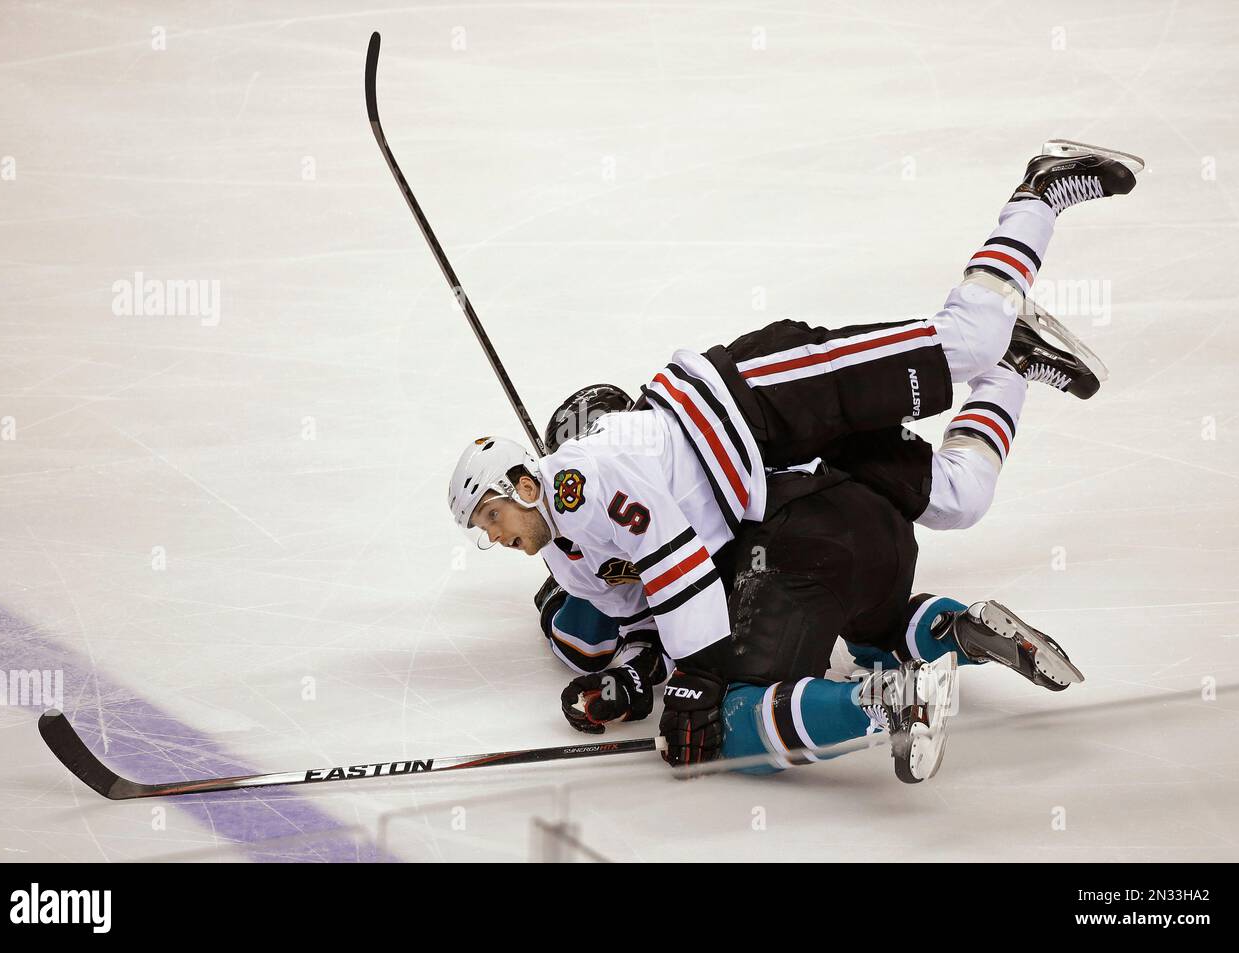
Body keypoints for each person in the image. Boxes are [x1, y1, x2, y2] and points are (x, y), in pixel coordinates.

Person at [447, 141, 1138, 773]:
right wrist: (628, 679)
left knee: (968, 338)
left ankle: (1039, 193)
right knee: (961, 496)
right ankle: (1015, 363)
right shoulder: (574, 553)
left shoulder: (586, 475)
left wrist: (702, 672)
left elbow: (670, 560)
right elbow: (642, 617)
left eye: (490, 513)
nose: (491, 534)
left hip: (763, 395)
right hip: (784, 470)